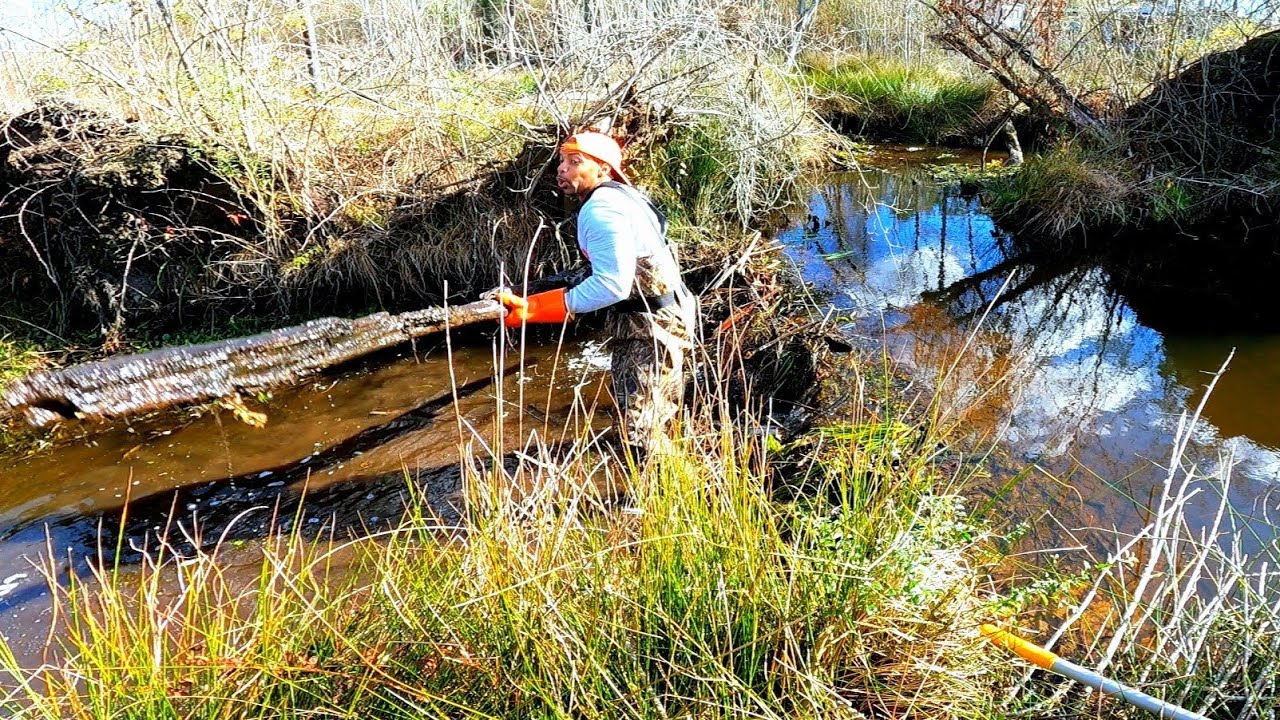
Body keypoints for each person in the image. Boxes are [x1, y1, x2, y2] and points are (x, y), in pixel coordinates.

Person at [495, 131, 696, 460]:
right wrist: (525, 292)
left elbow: (612, 284)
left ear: (604, 170)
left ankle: (645, 500)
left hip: (649, 328)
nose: (562, 169)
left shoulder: (600, 211)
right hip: (671, 312)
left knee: (637, 427)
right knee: (659, 412)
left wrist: (535, 309)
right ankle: (676, 477)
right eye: (562, 161)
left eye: (575, 162)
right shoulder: (625, 197)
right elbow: (610, 270)